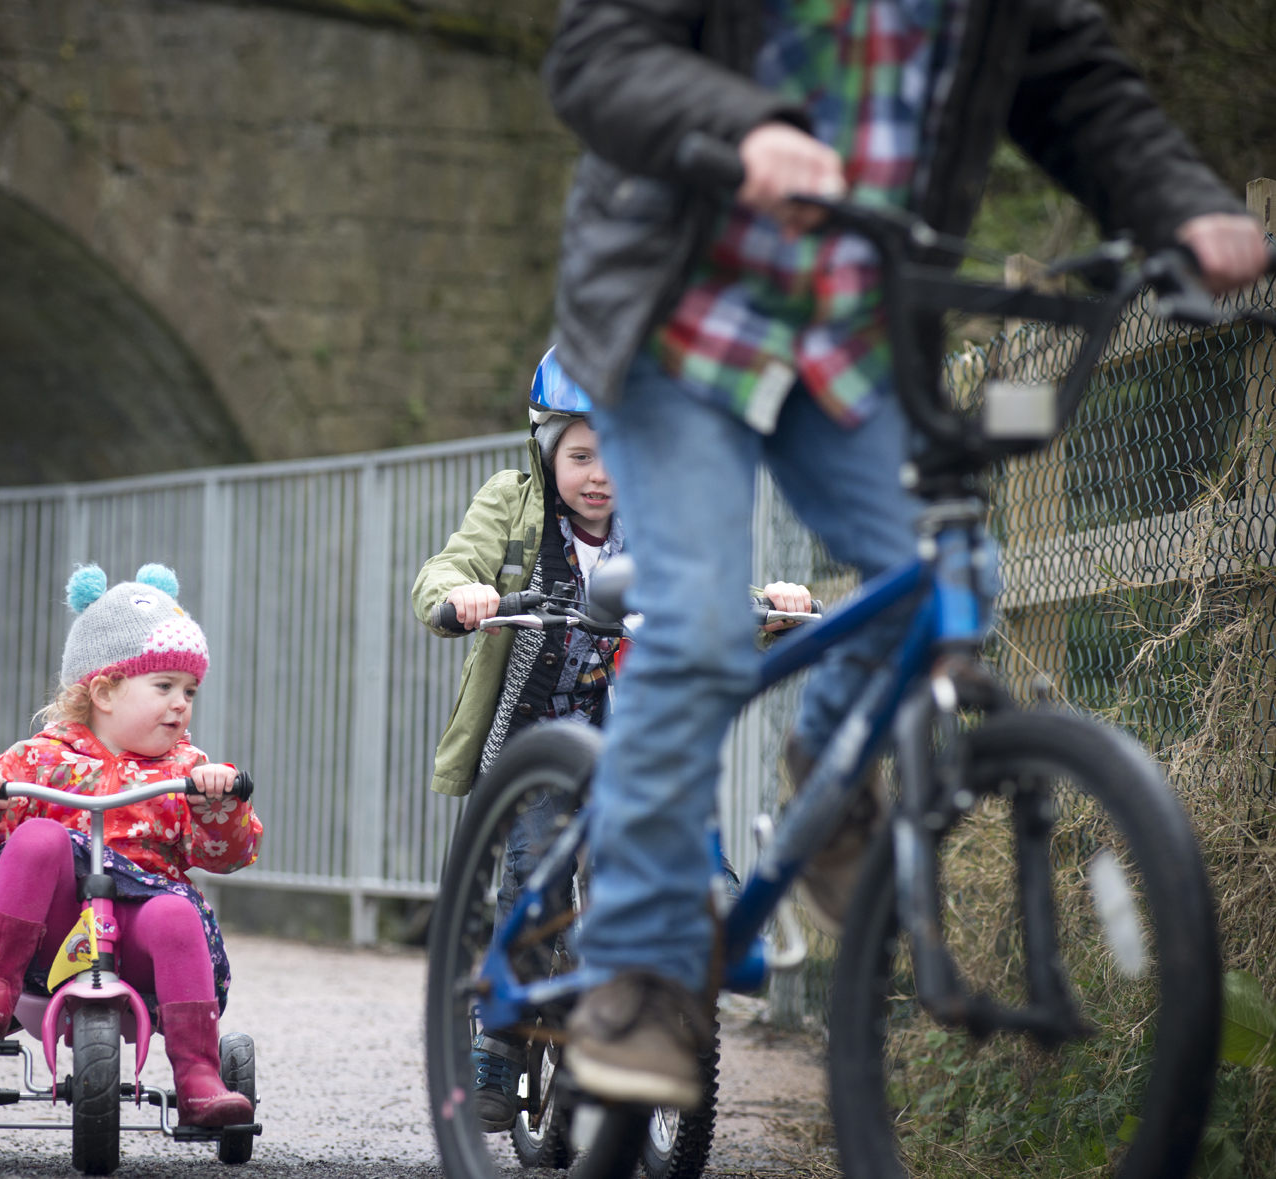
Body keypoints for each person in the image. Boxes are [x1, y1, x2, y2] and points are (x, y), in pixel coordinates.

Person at [539, 0, 1270, 1112]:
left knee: (930, 578)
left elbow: (1068, 76)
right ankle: (635, 974)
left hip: (857, 329)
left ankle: (823, 789)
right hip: (677, 312)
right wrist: (744, 128)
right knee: (691, 626)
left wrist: (1180, 203)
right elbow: (597, 55)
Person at [411, 349, 811, 1130]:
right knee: (531, 875)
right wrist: (461, 592)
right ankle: (501, 1043)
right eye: (582, 453)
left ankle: (704, 938)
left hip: (630, 740)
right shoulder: (512, 505)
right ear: (547, 449)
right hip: (536, 746)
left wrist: (764, 604)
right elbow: (447, 565)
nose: (601, 474)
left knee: (689, 836)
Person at [0, 563, 261, 1128]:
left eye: (190, 691)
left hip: (137, 942)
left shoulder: (189, 771)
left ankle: (198, 1075)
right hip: (52, 932)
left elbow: (227, 856)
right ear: (105, 691)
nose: (181, 704)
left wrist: (221, 805)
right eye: (163, 687)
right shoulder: (38, 759)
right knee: (38, 838)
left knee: (175, 912)